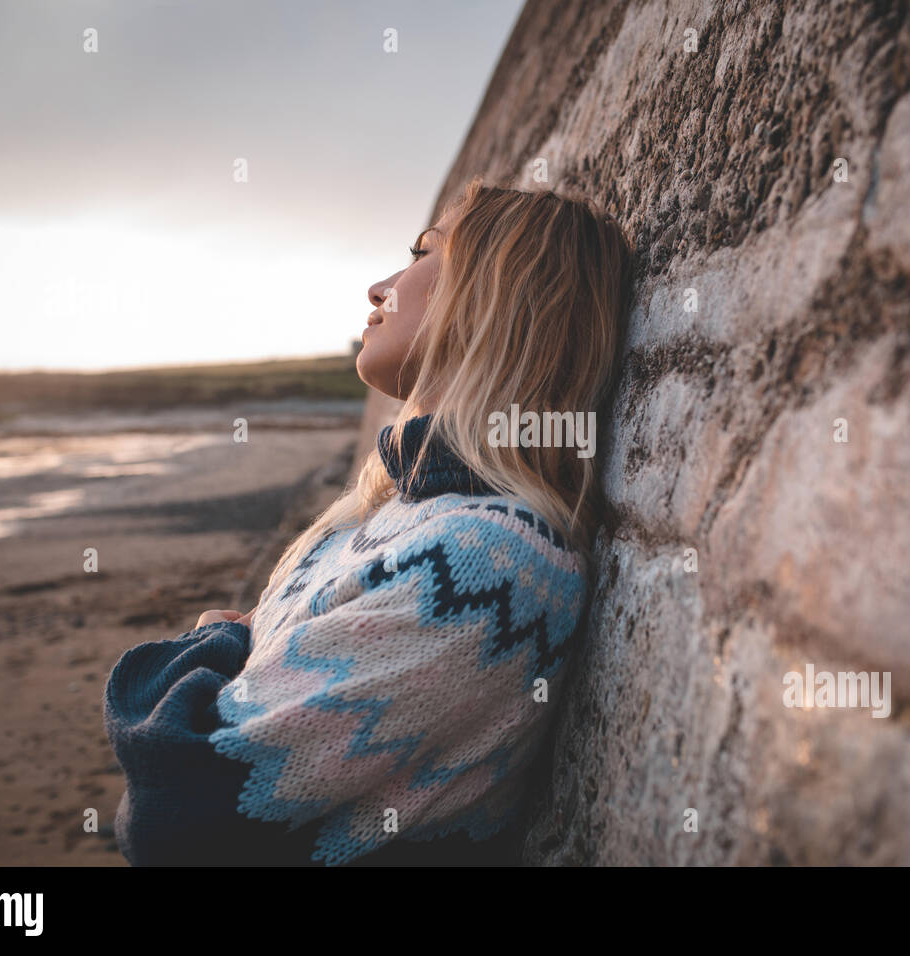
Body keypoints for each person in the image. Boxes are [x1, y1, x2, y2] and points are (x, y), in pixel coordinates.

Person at [103, 176, 635, 865]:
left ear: (493, 294)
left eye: (423, 251)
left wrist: (213, 640)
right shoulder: (379, 515)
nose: (379, 286)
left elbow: (173, 810)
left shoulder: (494, 563)